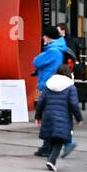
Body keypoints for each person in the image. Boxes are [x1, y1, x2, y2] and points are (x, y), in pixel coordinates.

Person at [35, 68, 83, 171]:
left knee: (53, 138)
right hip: (63, 117)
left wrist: (38, 116)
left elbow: (40, 102)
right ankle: (51, 160)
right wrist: (79, 118)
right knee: (60, 140)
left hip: (48, 116)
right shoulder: (70, 87)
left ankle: (50, 160)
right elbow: (73, 104)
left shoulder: (48, 85)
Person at [31, 25, 68, 156]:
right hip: (52, 84)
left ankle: (49, 146)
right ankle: (50, 145)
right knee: (50, 116)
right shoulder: (58, 48)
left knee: (47, 117)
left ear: (48, 37)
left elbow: (36, 61)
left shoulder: (53, 50)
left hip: (48, 85)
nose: (42, 38)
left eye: (44, 36)